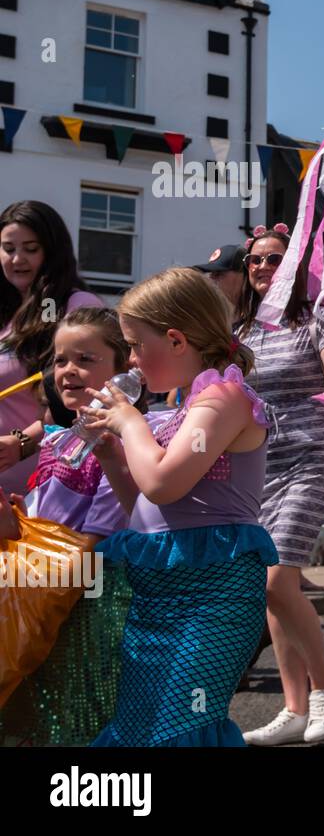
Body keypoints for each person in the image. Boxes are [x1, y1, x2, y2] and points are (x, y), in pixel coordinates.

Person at [80, 268, 275, 746]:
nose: (129, 359)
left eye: (133, 344)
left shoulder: (224, 399)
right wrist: (109, 453)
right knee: (142, 726)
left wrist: (129, 424)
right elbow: (148, 503)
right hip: (158, 595)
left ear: (174, 339)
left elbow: (164, 483)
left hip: (212, 596)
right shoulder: (185, 406)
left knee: (181, 725)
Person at [235, 222, 324, 746]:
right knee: (273, 592)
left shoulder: (316, 317)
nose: (264, 268)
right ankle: (292, 708)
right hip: (258, 460)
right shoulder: (241, 330)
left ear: (295, 266)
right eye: (256, 260)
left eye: (275, 259)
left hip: (309, 454)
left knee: (276, 580)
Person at [0, 308, 137, 745]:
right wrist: (19, 521)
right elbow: (46, 526)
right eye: (60, 360)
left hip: (86, 605)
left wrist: (31, 551)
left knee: (75, 714)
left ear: (123, 367)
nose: (68, 371)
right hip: (42, 592)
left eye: (85, 359)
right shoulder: (59, 436)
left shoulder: (123, 439)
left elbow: (94, 542)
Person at [0, 201, 103, 491]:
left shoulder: (76, 307)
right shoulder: (8, 310)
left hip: (39, 490)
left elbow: (84, 397)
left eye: (30, 249)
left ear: (51, 252)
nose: (18, 258)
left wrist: (22, 443)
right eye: (9, 249)